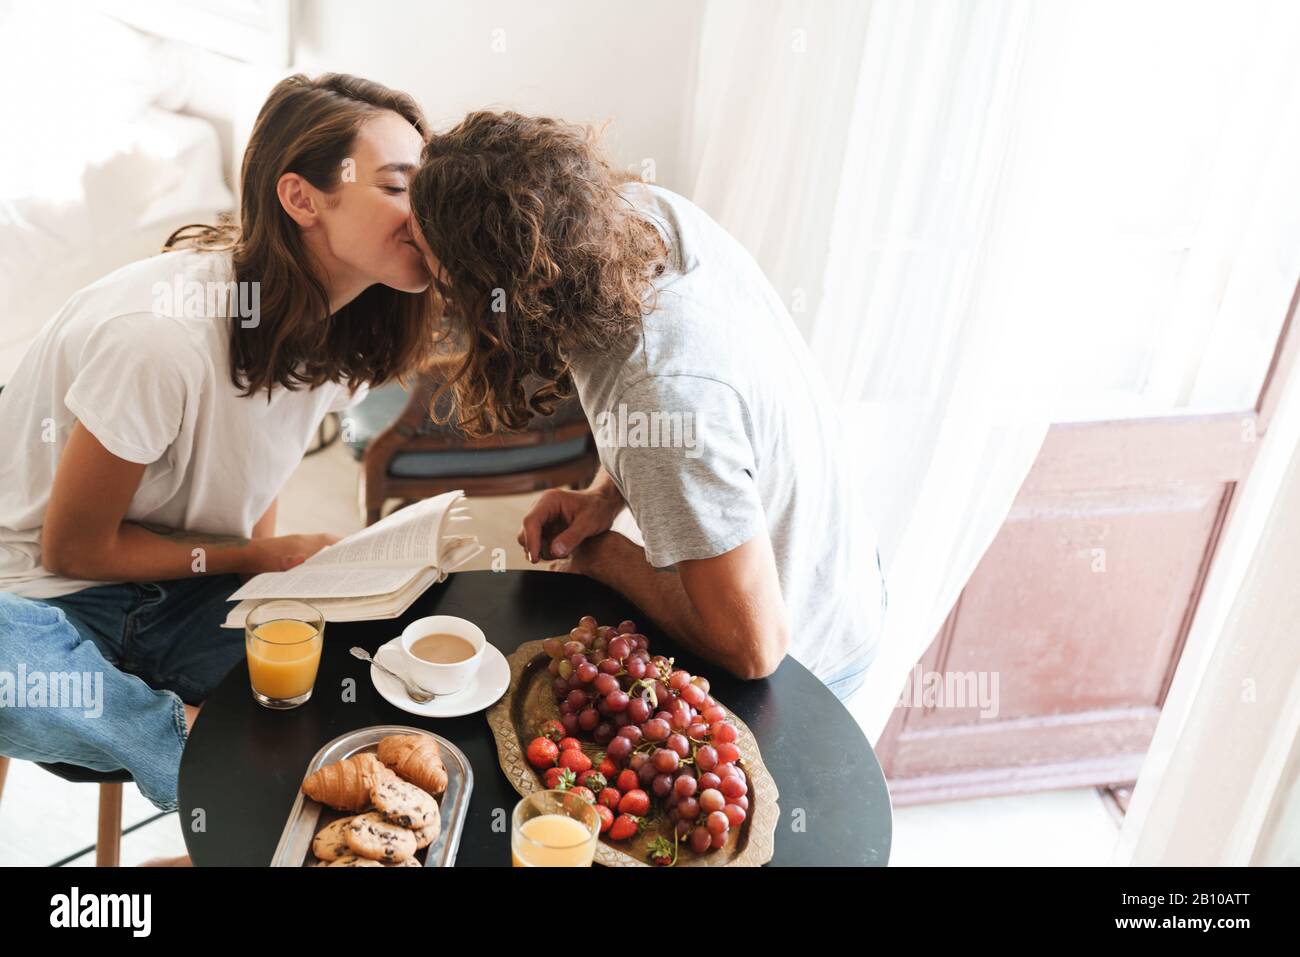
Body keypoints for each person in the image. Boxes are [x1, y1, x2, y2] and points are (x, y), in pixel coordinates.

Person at [0, 73, 435, 811]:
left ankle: (220, 775)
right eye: (397, 187)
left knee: (375, 667)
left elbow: (246, 485)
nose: (422, 213)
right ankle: (199, 752)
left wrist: (273, 580)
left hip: (180, 596)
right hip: (39, 600)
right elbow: (70, 550)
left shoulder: (343, 338)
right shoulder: (159, 338)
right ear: (301, 198)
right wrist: (253, 558)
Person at [408, 112, 886, 698]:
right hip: (832, 561)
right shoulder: (632, 216)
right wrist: (605, 497)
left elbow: (754, 647)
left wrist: (603, 555)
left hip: (806, 667)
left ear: (490, 287)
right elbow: (691, 425)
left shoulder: (656, 394)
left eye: (427, 254)